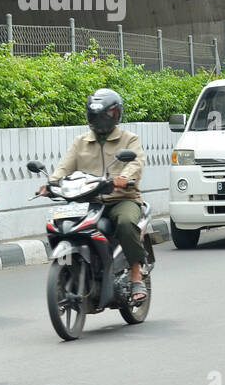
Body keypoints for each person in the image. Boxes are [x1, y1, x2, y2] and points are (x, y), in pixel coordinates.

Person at [40, 89, 148, 302]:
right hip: (86, 201)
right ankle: (73, 271)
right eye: (96, 114)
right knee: (62, 225)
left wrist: (124, 178)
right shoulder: (80, 142)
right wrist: (50, 184)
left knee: (126, 223)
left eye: (106, 114)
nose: (101, 119)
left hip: (121, 199)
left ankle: (136, 275)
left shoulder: (129, 139)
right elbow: (64, 167)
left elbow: (136, 163)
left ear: (116, 114)